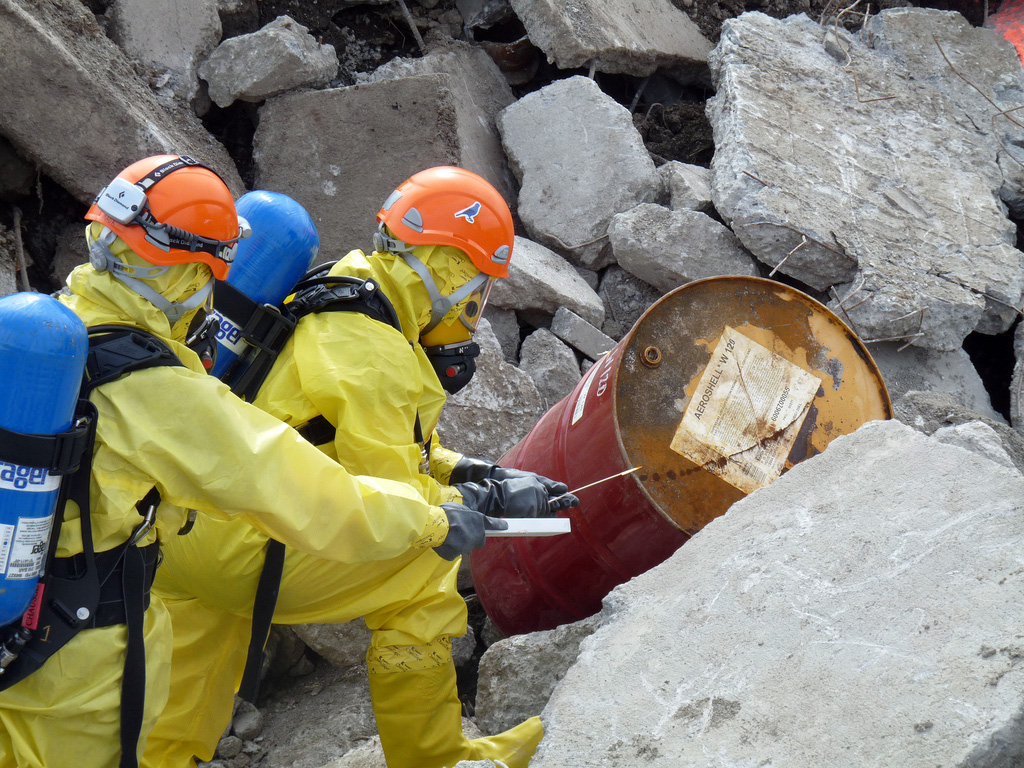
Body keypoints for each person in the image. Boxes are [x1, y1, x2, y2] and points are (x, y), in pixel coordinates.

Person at [0, 156, 497, 768]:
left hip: (21, 619)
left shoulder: (54, 333)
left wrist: (449, 468)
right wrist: (437, 521)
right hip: (81, 646)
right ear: (184, 276)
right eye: (209, 276)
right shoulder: (158, 392)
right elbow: (293, 485)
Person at [141, 168, 576, 768]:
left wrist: (476, 475)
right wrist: (472, 508)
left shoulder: (348, 291)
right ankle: (438, 759)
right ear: (445, 270)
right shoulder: (373, 349)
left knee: (185, 693)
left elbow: (346, 441)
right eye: (478, 286)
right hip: (246, 544)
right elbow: (395, 497)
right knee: (422, 566)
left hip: (183, 532)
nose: (476, 306)